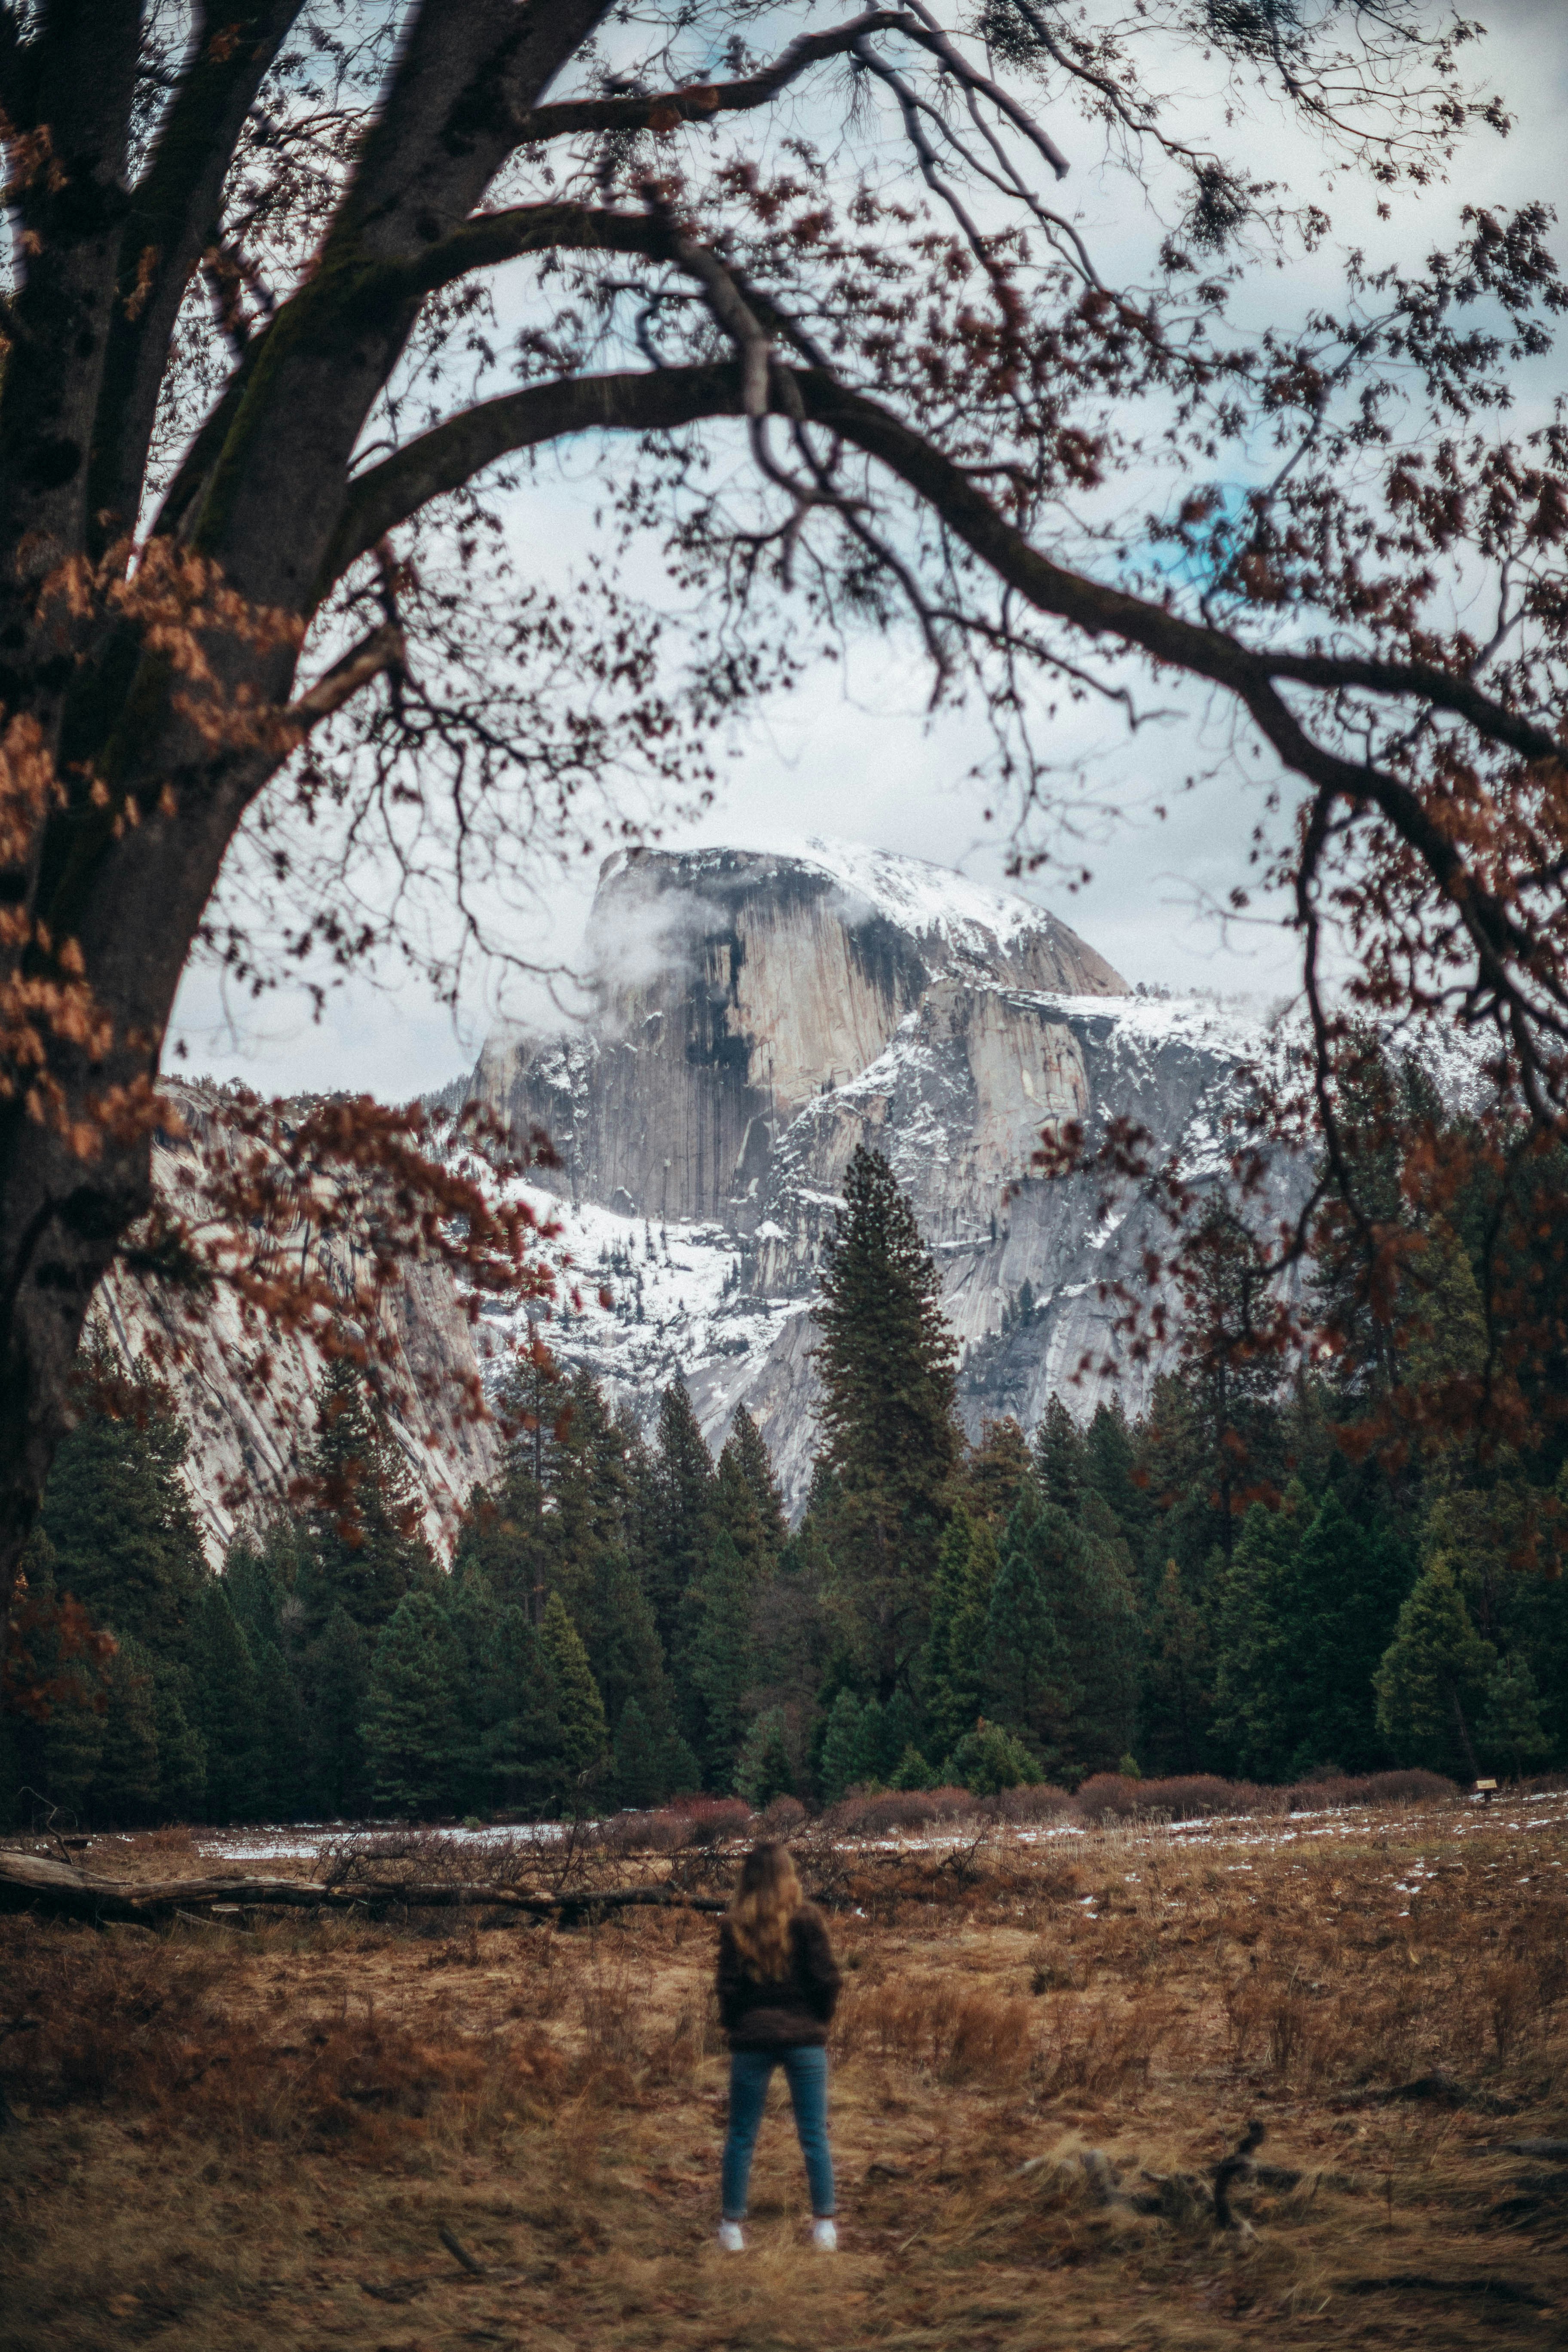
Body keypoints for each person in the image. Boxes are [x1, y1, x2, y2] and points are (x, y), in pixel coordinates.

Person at [715, 1840, 842, 2252]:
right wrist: (818, 2022)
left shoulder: (735, 1924)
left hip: (752, 2041)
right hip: (804, 2040)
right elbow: (827, 1979)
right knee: (814, 2135)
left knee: (740, 2135)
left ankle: (732, 2227)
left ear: (747, 1878)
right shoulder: (807, 1920)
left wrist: (739, 2026)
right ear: (789, 1876)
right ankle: (825, 2226)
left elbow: (728, 1988)